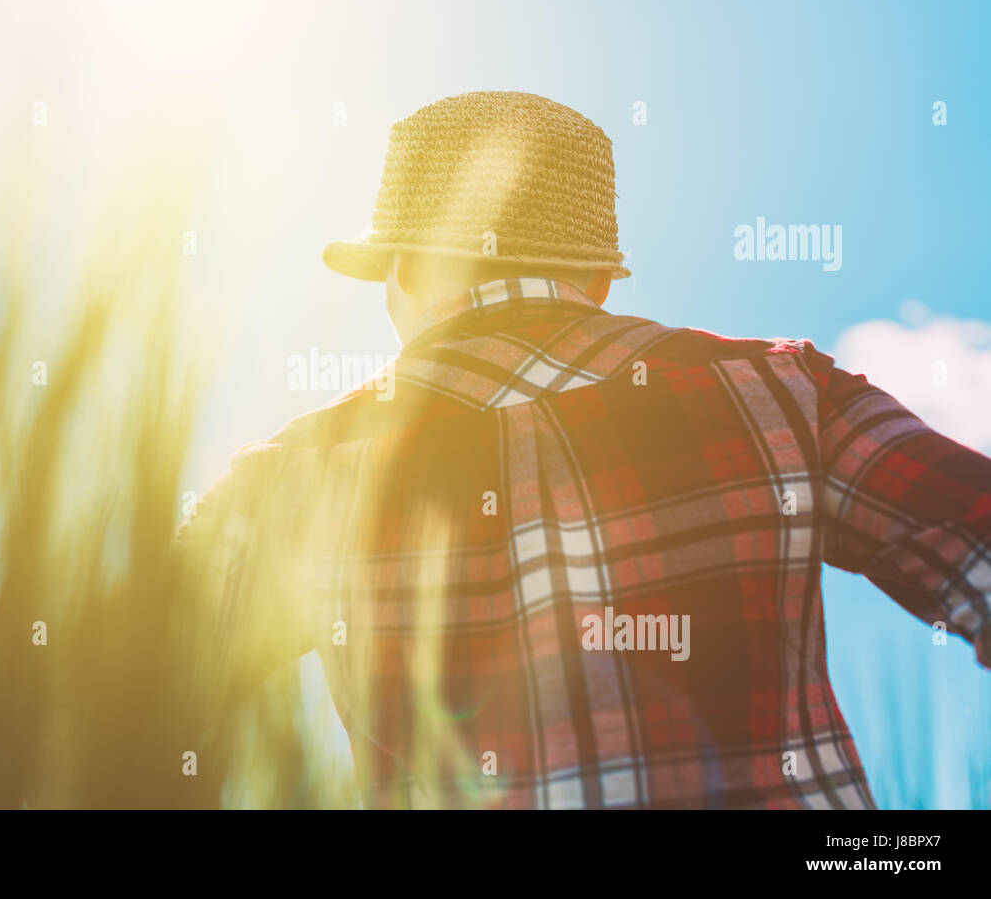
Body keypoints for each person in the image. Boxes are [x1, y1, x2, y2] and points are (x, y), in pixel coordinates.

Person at [177, 91, 991, 808]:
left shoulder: (288, 480)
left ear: (405, 269)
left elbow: (101, 698)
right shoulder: (786, 392)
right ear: (597, 276)